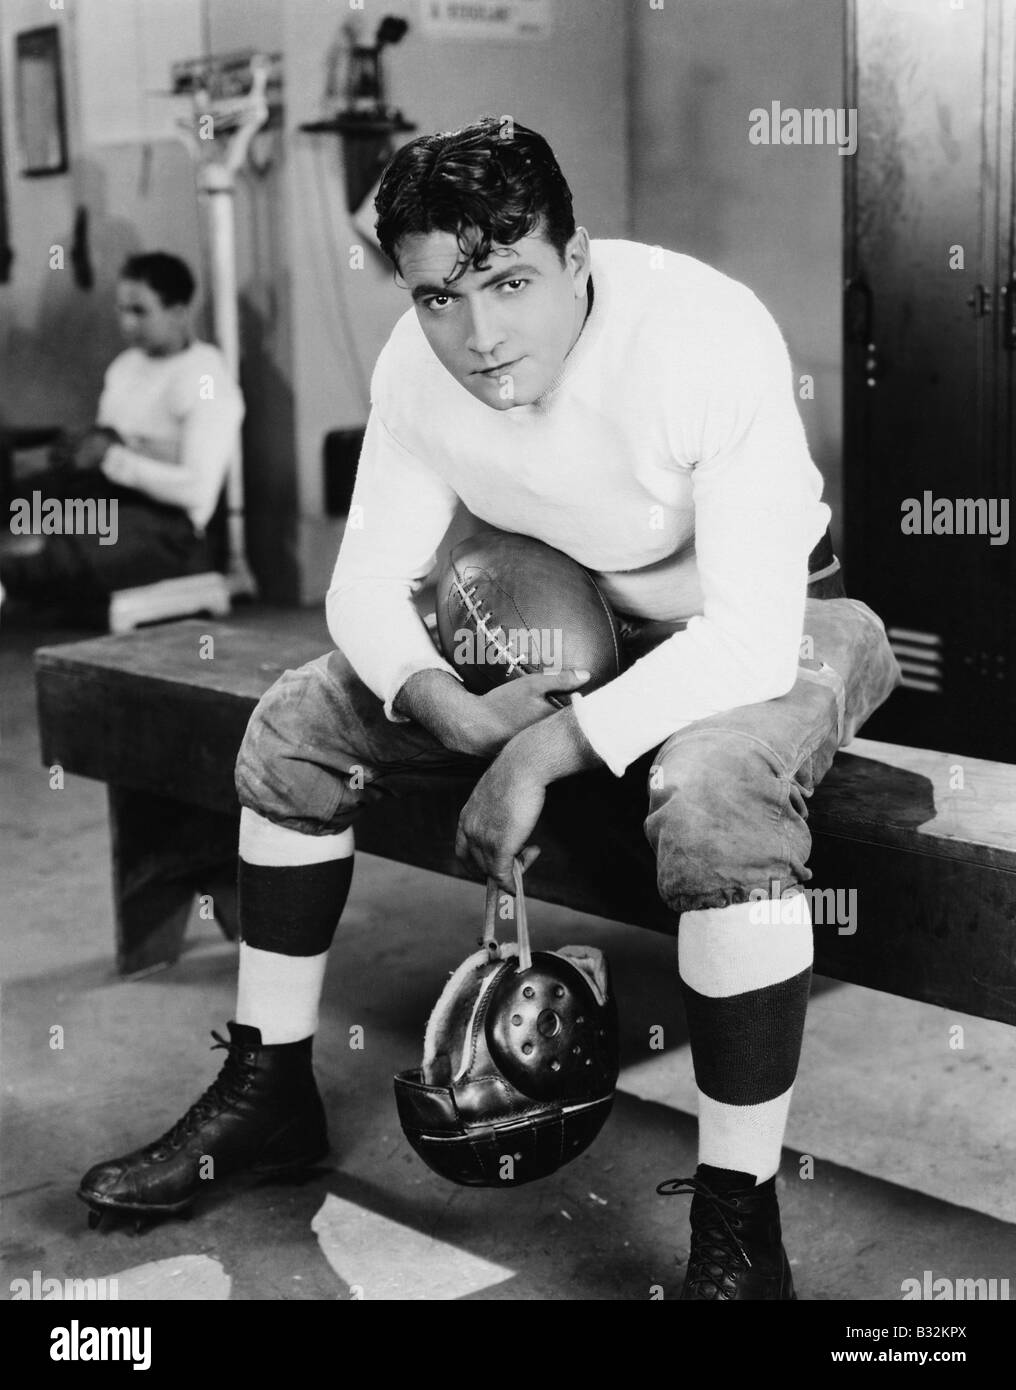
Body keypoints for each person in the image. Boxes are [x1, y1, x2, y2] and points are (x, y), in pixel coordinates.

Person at [78, 118, 901, 1300]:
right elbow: (362, 582)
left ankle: (738, 1222)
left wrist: (536, 755)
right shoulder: (420, 368)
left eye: (510, 280)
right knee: (299, 724)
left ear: (577, 257)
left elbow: (748, 635)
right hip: (566, 616)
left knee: (711, 798)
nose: (477, 334)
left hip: (773, 623)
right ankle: (270, 1094)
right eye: (437, 298)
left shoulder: (703, 333)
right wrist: (439, 706)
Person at [0, 252, 243, 613]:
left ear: (178, 312)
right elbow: (108, 445)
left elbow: (196, 492)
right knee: (18, 502)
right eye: (121, 310)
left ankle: (8, 578)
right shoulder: (124, 367)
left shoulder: (206, 378)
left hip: (167, 525)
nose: (127, 323)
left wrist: (113, 456)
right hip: (104, 497)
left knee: (58, 550)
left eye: (140, 311)